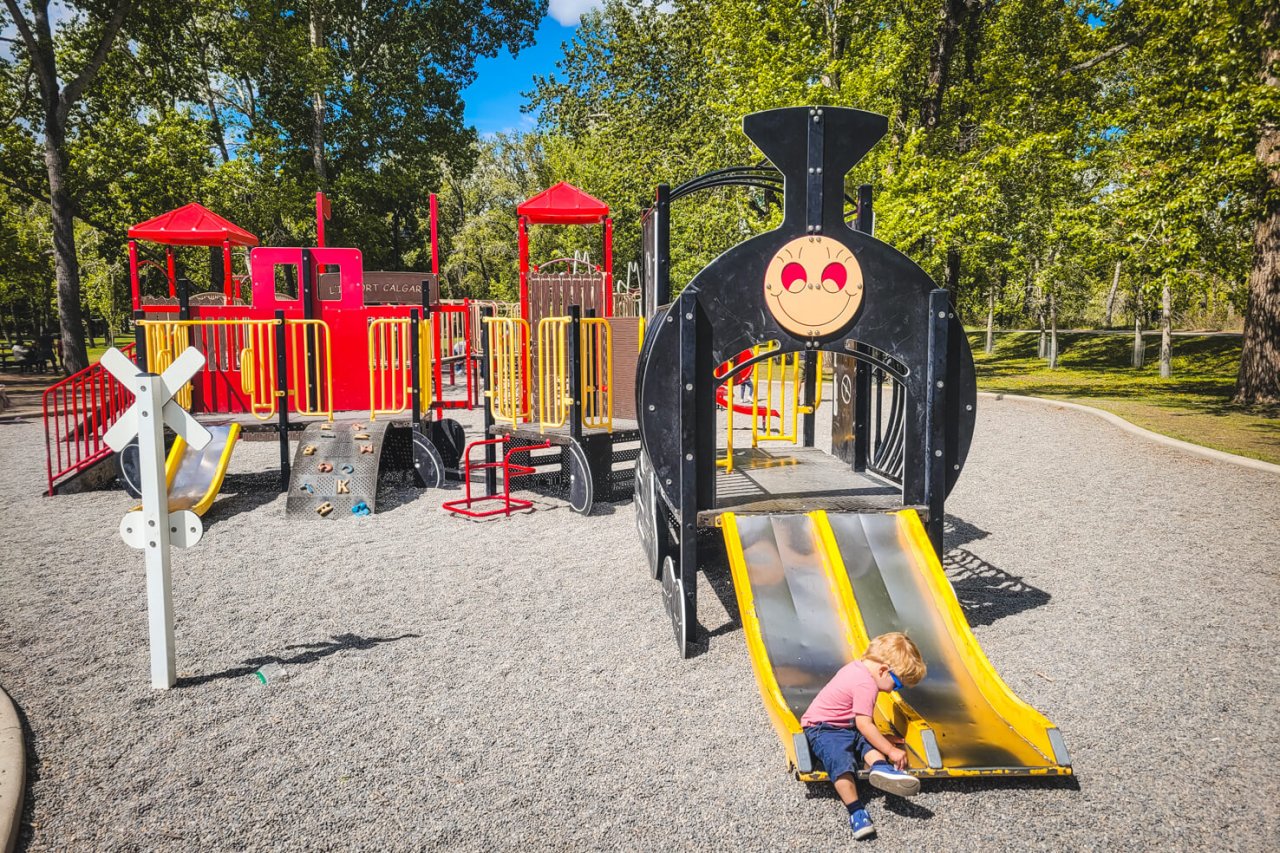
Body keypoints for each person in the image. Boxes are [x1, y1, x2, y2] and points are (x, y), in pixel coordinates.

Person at [800, 632, 927, 840]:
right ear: (884, 670)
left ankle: (881, 769)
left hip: (845, 724)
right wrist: (891, 750)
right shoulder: (866, 684)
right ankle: (856, 810)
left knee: (866, 743)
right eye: (897, 684)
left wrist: (881, 740)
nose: (894, 690)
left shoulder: (858, 668)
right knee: (840, 761)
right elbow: (864, 724)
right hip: (823, 728)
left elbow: (860, 722)